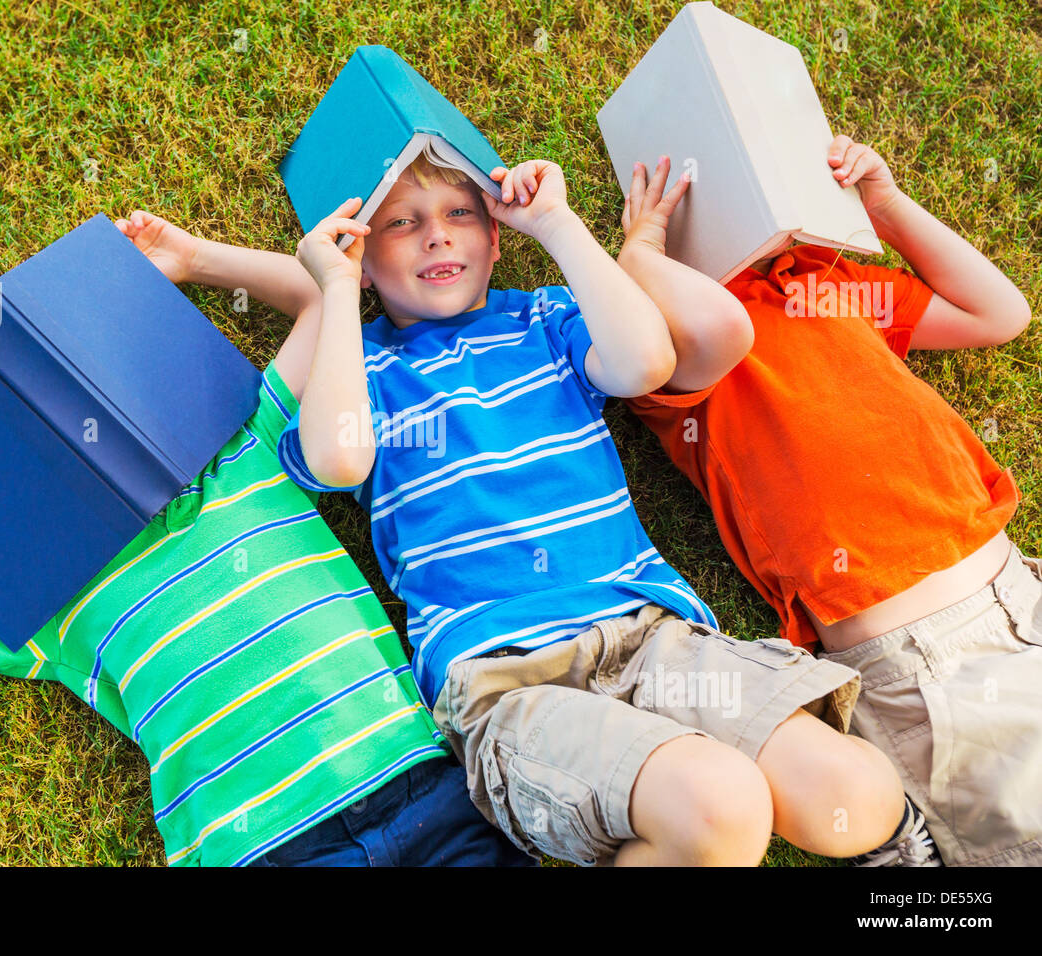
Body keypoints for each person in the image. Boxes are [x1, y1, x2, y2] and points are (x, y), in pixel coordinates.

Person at [276, 151, 909, 866]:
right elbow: (336, 458)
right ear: (361, 254)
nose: (438, 236)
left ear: (493, 233)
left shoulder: (543, 318)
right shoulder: (363, 368)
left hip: (652, 638)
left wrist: (556, 222)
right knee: (721, 808)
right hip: (507, 678)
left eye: (460, 213)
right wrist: (332, 291)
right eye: (401, 224)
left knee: (859, 796)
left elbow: (645, 363)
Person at [0, 210, 533, 868]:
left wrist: (194, 260)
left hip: (420, 782)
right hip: (265, 847)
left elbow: (328, 301)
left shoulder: (241, 447)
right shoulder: (38, 587)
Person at [621, 137, 1037, 866]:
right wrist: (642, 255)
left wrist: (885, 205)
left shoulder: (826, 281)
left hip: (1016, 591)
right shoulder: (679, 348)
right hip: (923, 659)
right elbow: (717, 328)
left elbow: (999, 314)